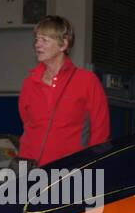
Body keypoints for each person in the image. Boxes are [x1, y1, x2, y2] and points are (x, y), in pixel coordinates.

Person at [17, 16, 109, 166]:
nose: (37, 45)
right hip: (29, 168)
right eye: (37, 39)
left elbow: (100, 132)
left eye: (44, 40)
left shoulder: (87, 81)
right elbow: (26, 121)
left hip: (72, 168)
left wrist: (91, 165)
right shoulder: (29, 82)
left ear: (63, 44)